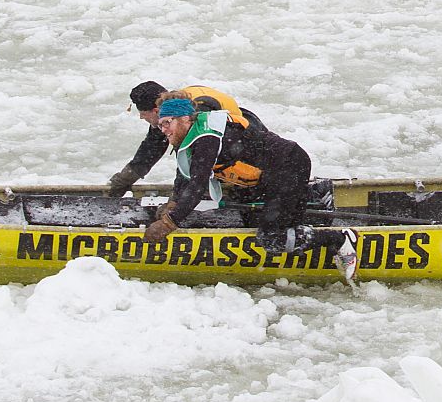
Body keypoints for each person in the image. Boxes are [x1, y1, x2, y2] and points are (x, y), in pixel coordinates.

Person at [142, 95, 359, 280]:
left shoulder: (206, 138)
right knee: (251, 221)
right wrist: (174, 202)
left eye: (167, 123)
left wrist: (168, 223)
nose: (164, 130)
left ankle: (340, 239)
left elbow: (197, 185)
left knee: (271, 238)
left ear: (185, 118)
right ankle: (315, 194)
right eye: (160, 125)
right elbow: (185, 174)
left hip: (289, 167)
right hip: (265, 176)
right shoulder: (191, 134)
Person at [105, 81, 269, 196]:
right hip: (229, 139)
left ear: (155, 111)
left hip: (247, 138)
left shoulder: (188, 116)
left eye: (143, 114)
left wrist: (175, 203)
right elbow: (150, 151)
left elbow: (188, 162)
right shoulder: (170, 109)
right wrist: (122, 181)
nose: (141, 117)